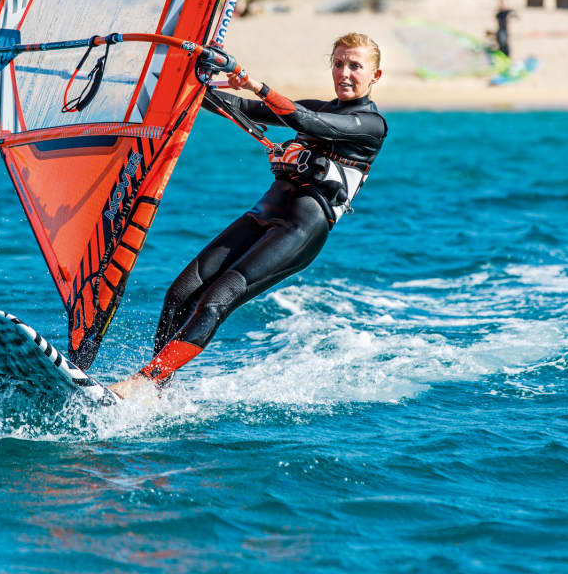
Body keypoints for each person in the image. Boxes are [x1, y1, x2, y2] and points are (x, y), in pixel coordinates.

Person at [110, 33, 388, 398]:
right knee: (179, 294)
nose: (345, 73)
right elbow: (234, 106)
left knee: (215, 300)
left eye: (356, 66)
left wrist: (256, 84)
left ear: (375, 76)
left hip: (302, 229)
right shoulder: (319, 107)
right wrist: (183, 78)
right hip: (262, 215)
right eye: (338, 63)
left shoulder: (371, 125)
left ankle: (143, 382)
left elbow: (312, 124)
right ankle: (158, 386)